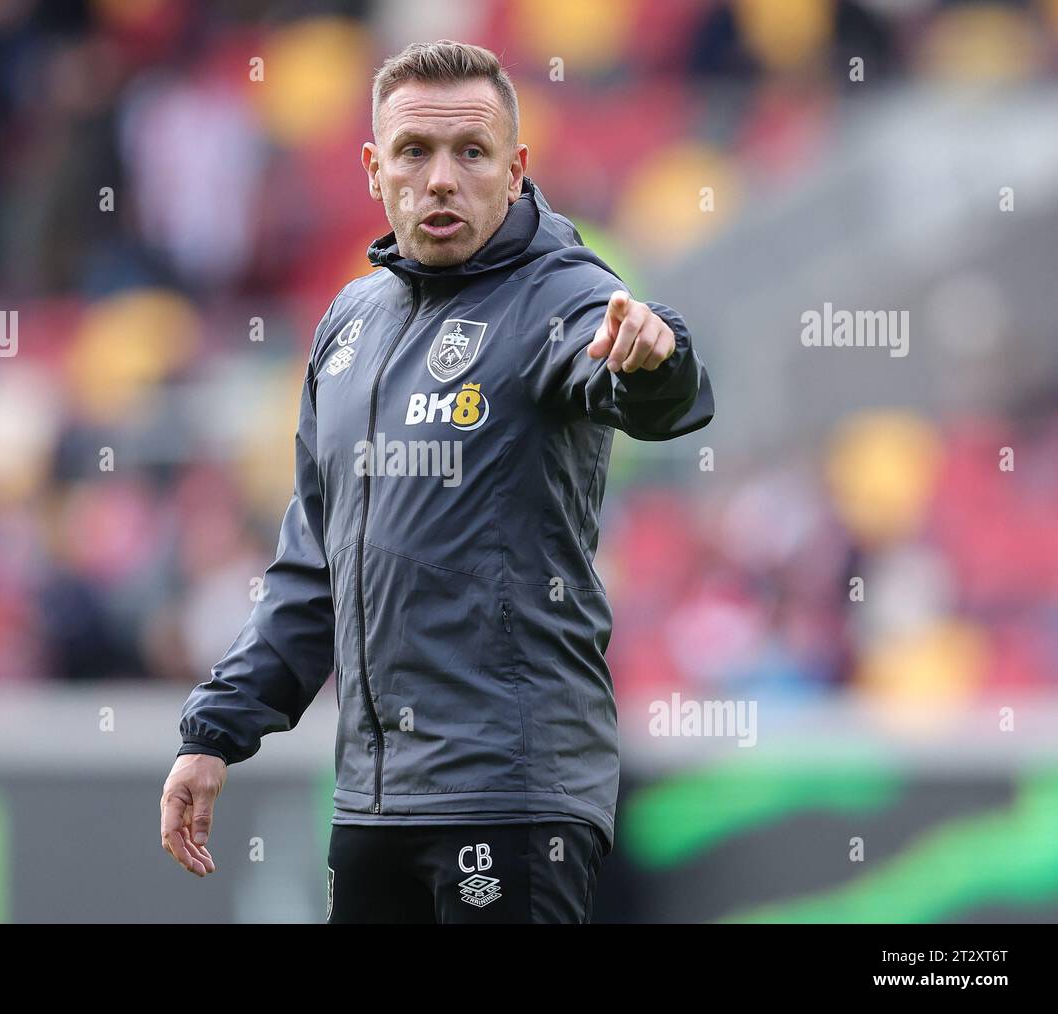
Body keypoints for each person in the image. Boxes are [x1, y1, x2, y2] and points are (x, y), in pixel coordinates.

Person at [160, 39, 714, 923]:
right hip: (374, 803)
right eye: (415, 152)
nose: (443, 180)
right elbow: (313, 570)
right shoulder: (349, 326)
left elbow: (636, 378)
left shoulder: (560, 295)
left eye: (472, 153)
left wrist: (657, 356)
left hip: (512, 796)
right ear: (373, 169)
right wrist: (214, 732)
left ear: (515, 169)